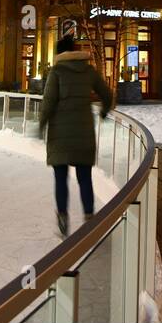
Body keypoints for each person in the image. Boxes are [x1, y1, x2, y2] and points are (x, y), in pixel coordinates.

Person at [38, 33, 114, 238]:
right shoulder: (88, 71)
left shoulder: (57, 72)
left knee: (60, 178)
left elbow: (48, 102)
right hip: (83, 134)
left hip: (60, 135)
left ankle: (63, 217)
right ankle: (90, 218)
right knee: (84, 178)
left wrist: (41, 125)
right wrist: (104, 111)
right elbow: (107, 95)